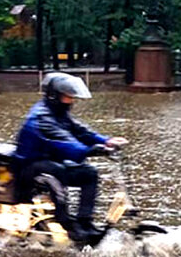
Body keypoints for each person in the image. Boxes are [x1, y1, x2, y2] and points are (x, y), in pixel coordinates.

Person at [13, 73, 128, 244]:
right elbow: (64, 142)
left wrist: (106, 141)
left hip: (49, 161)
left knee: (89, 173)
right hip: (29, 168)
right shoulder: (41, 118)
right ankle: (67, 224)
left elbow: (79, 131)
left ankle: (84, 221)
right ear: (54, 96)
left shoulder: (58, 112)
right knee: (55, 173)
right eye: (68, 97)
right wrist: (91, 150)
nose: (72, 101)